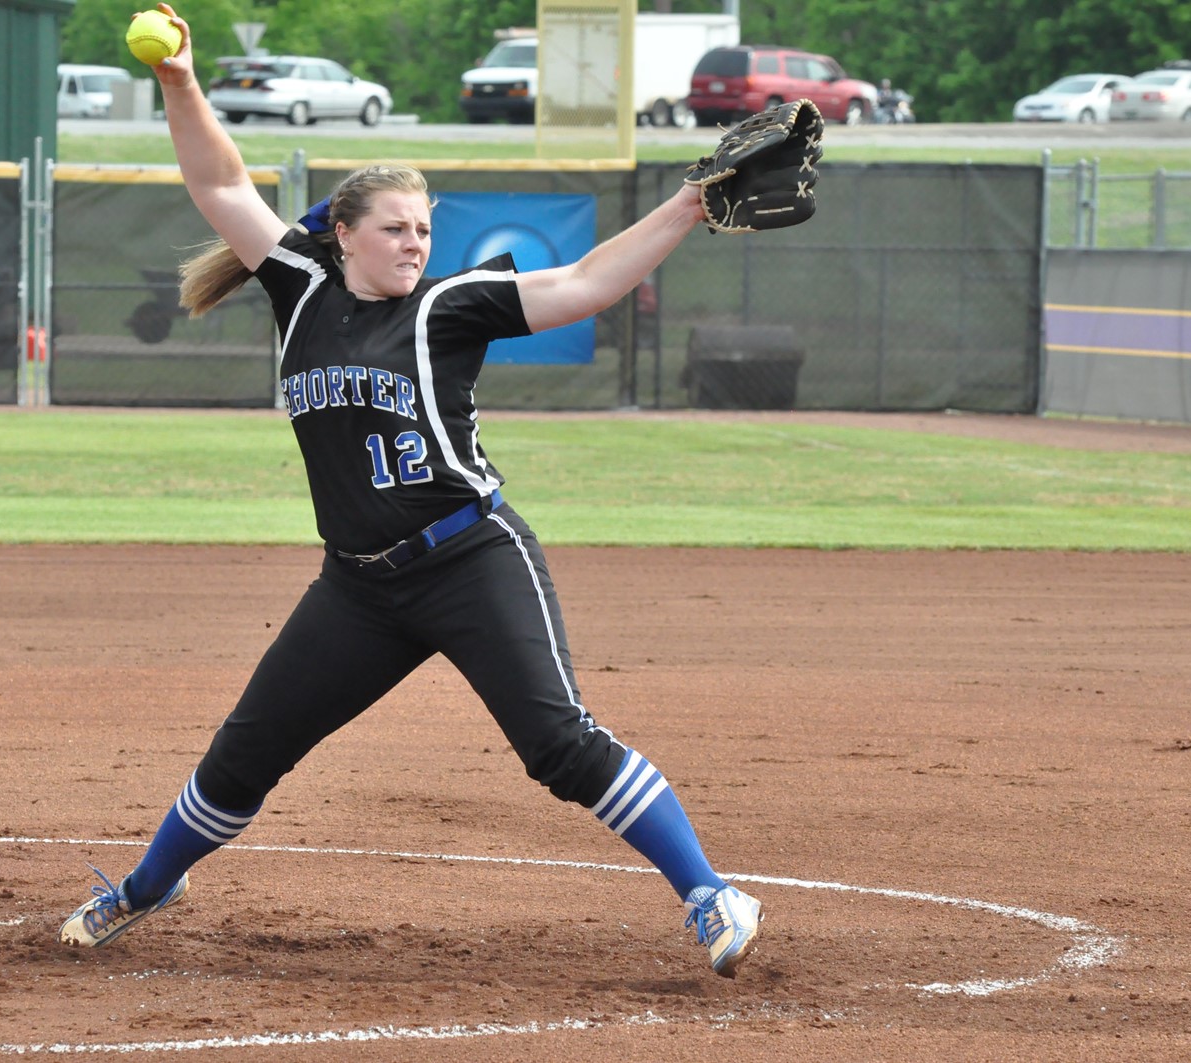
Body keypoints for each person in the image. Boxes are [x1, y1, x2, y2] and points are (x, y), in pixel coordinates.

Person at [59, 3, 763, 977]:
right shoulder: (300, 285)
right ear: (342, 232)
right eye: (394, 227)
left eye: (425, 228)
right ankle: (145, 886)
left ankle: (711, 893)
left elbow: (591, 280)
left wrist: (690, 201)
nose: (414, 242)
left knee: (556, 745)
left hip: (471, 555)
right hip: (357, 588)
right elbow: (219, 180)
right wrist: (180, 78)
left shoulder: (451, 306)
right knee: (242, 757)